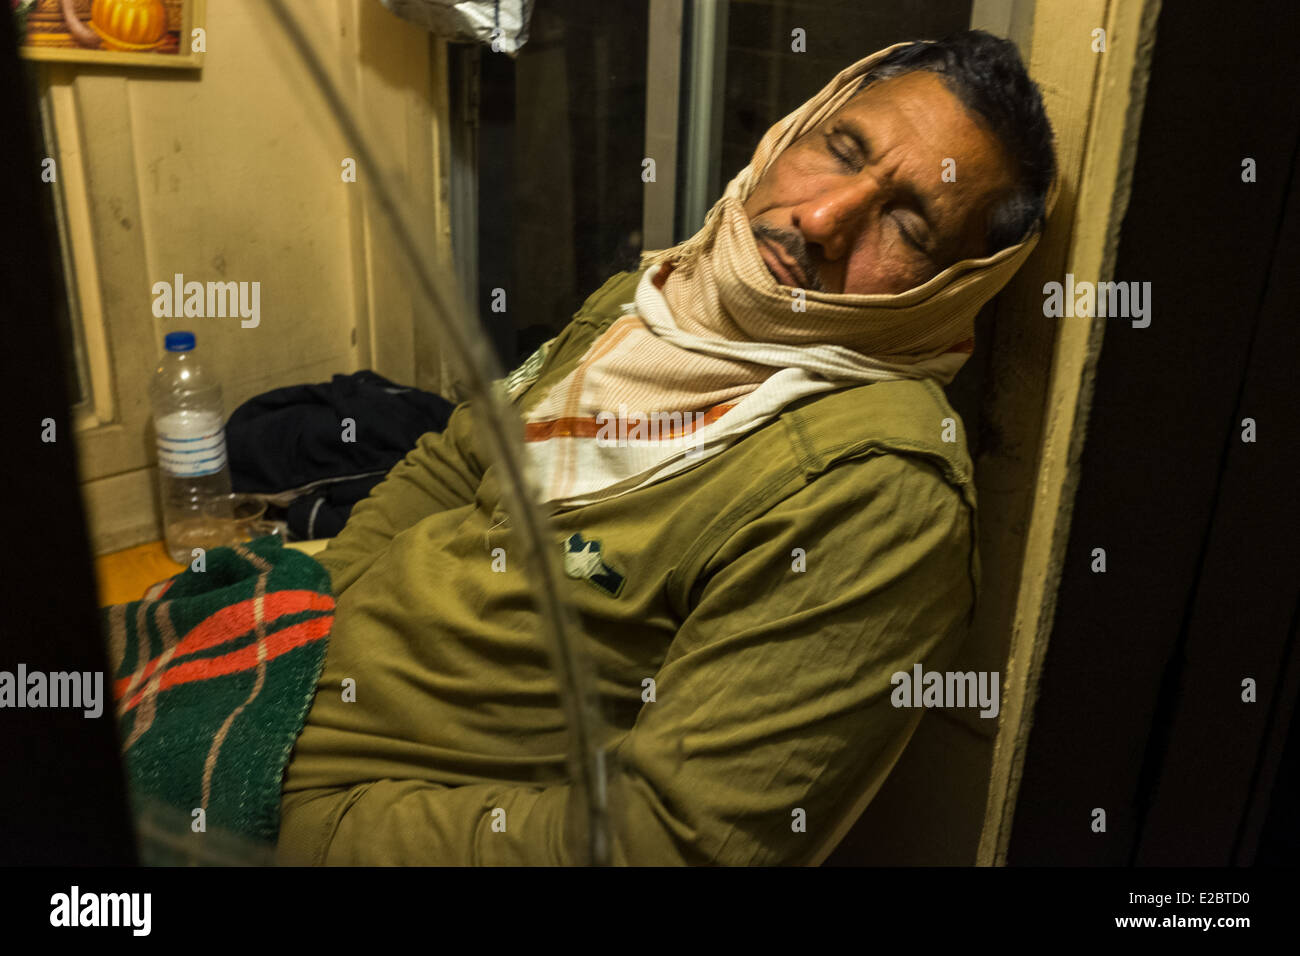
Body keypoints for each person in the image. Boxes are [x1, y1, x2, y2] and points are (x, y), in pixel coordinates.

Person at [276, 29, 1057, 866]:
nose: (824, 220)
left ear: (952, 289)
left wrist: (297, 828)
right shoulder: (657, 298)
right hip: (272, 691)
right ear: (791, 131)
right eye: (839, 149)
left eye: (907, 224)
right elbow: (454, 464)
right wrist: (284, 632)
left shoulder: (878, 497)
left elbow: (669, 844)